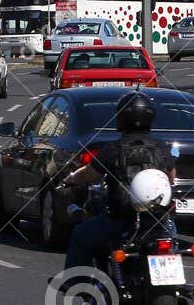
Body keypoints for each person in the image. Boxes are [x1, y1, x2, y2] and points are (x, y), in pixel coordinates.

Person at [59, 90, 177, 272]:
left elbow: (90, 174)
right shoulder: (160, 148)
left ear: (121, 117)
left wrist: (72, 178)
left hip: (122, 220)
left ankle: (74, 281)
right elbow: (171, 177)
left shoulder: (114, 149)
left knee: (80, 235)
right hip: (157, 222)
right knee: (171, 237)